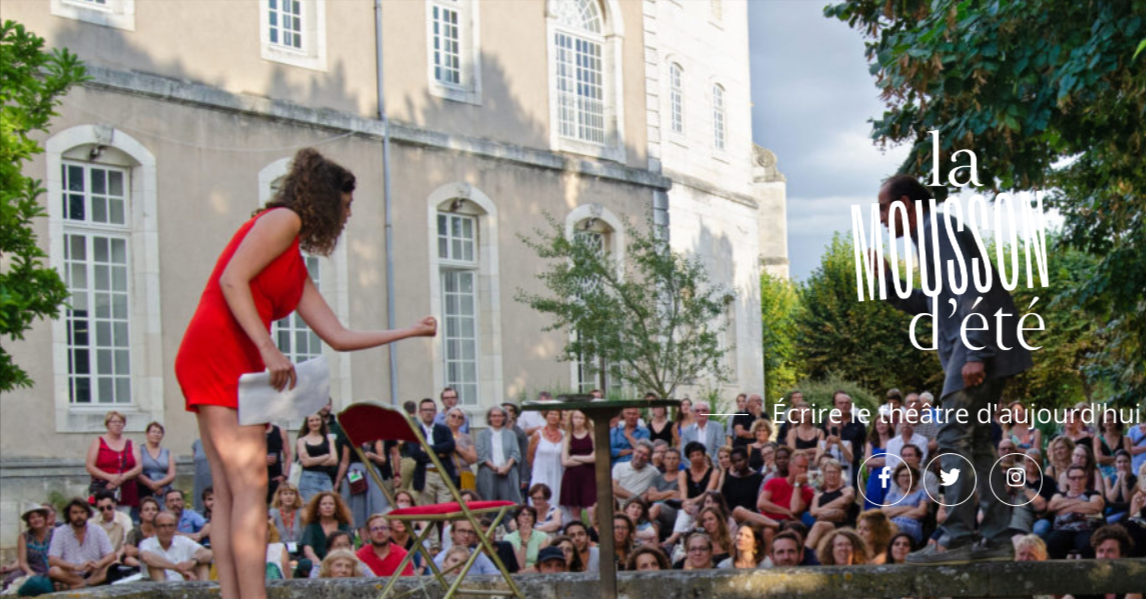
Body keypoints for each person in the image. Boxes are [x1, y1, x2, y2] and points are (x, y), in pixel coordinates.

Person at [174, 148, 436, 599]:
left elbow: (337, 334)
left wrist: (407, 332)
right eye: (347, 203)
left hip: (234, 358)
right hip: (219, 350)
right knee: (250, 483)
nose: (349, 214)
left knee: (233, 488)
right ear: (325, 198)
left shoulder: (292, 262)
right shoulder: (282, 220)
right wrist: (269, 348)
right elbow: (231, 280)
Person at [874, 175, 1032, 564]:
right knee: (976, 442)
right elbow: (937, 304)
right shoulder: (930, 235)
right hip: (983, 343)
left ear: (906, 205)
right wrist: (891, 284)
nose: (879, 218)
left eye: (883, 208)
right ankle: (995, 537)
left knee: (952, 436)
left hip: (976, 344)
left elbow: (972, 289)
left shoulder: (937, 229)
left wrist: (976, 350)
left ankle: (958, 537)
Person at [46, 498, 116, 589]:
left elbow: (111, 555)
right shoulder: (60, 532)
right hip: (71, 574)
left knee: (114, 564)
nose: (79, 516)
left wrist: (99, 563)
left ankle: (78, 586)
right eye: (75, 513)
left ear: (87, 514)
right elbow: (52, 559)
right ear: (69, 515)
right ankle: (86, 584)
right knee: (54, 571)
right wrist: (75, 567)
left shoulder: (97, 530)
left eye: (82, 512)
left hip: (94, 573)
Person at [85, 411, 141, 515]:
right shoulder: (98, 441)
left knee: (123, 521)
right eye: (114, 421)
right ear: (107, 424)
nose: (118, 424)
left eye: (120, 422)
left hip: (126, 491)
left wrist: (122, 478)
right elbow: (89, 466)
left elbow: (138, 467)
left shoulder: (131, 443)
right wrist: (110, 477)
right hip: (104, 489)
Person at [1047, 465, 1106, 559]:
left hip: (1086, 530)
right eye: (1073, 478)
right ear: (1067, 480)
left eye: (1080, 477)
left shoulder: (1093, 494)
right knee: (1053, 542)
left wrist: (1066, 508)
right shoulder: (1059, 495)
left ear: (1085, 479)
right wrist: (1084, 506)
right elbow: (1052, 506)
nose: (1077, 481)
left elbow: (1096, 507)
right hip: (1062, 530)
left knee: (1088, 544)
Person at [410, 398, 459, 506]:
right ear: (420, 412)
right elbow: (415, 453)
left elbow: (450, 446)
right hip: (425, 474)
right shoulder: (415, 431)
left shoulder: (444, 429)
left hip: (443, 472)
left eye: (431, 410)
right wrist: (439, 453)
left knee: (446, 508)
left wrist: (428, 448)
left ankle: (445, 524)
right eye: (425, 410)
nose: (428, 413)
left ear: (435, 412)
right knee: (427, 509)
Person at [139, 512, 212, 582]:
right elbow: (147, 557)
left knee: (202, 562)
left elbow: (208, 553)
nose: (167, 530)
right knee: (155, 566)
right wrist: (176, 568)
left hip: (185, 585)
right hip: (159, 587)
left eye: (170, 526)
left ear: (175, 527)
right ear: (155, 528)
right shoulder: (147, 543)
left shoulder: (183, 541)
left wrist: (193, 561)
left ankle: (204, 591)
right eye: (162, 526)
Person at [476, 405, 522, 504]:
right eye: (494, 416)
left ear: (504, 417)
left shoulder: (511, 434)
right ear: (489, 418)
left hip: (507, 473)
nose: (497, 418)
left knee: (508, 503)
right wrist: (495, 468)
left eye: (499, 416)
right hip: (488, 472)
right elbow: (481, 454)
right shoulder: (481, 435)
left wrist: (506, 467)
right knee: (489, 503)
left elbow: (515, 453)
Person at [806, 459, 855, 550]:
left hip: (841, 527)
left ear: (840, 474)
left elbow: (845, 500)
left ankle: (805, 554)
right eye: (829, 472)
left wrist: (822, 512)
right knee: (819, 526)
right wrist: (834, 511)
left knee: (819, 525)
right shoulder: (818, 495)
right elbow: (813, 512)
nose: (832, 475)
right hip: (823, 527)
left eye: (835, 472)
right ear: (824, 474)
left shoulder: (847, 489)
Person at [559, 410, 596, 523]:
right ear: (571, 419)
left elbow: (594, 458)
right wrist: (586, 459)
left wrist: (575, 457)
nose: (578, 420)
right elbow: (565, 462)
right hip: (573, 477)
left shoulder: (592, 434)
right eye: (576, 417)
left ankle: (595, 535)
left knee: (591, 509)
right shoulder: (567, 436)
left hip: (589, 476)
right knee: (575, 512)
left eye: (581, 418)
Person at [299, 492, 353, 567]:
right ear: (318, 508)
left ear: (336, 507)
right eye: (324, 504)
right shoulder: (312, 527)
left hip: (342, 563)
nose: (328, 507)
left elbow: (352, 547)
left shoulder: (344, 526)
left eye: (331, 504)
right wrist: (319, 565)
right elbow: (308, 549)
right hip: (317, 564)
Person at [823, 391, 866, 487]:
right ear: (835, 405)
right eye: (841, 403)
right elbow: (821, 440)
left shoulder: (858, 423)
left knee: (851, 493)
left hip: (853, 464)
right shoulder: (828, 422)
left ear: (850, 405)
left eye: (847, 403)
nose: (844, 405)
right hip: (831, 466)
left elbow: (865, 442)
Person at [758, 452, 814, 524]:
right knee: (739, 510)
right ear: (790, 467)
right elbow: (761, 503)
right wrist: (786, 511)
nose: (803, 470)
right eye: (800, 467)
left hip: (785, 523)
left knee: (768, 530)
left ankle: (776, 526)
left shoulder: (807, 491)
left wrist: (798, 485)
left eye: (806, 467)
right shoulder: (774, 482)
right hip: (765, 519)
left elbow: (794, 509)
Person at [296, 414, 339, 505]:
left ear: (321, 422)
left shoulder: (329, 438)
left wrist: (313, 460)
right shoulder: (302, 440)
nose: (315, 423)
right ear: (307, 424)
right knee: (310, 507)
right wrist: (326, 456)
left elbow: (334, 460)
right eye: (311, 420)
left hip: (325, 478)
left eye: (317, 420)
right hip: (308, 478)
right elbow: (306, 463)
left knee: (329, 505)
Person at [882, 463, 930, 545]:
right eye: (902, 476)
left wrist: (894, 513)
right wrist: (909, 508)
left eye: (909, 475)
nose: (906, 479)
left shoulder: (922, 493)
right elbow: (884, 512)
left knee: (895, 526)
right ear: (897, 478)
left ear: (915, 478)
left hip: (911, 526)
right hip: (891, 525)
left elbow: (921, 512)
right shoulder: (891, 495)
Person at [432, 520, 501, 575]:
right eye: (462, 531)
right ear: (452, 533)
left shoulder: (477, 555)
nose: (466, 535)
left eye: (470, 532)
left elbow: (495, 575)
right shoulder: (441, 559)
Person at [10, 504, 54, 587]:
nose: (36, 520)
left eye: (39, 516)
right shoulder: (24, 537)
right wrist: (30, 572)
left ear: (44, 518)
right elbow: (22, 562)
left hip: (53, 570)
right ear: (28, 521)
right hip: (33, 571)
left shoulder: (55, 533)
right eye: (32, 517)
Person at [529, 410, 566, 504]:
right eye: (550, 414)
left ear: (560, 417)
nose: (553, 416)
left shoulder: (564, 434)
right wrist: (535, 469)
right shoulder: (537, 434)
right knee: (540, 495)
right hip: (541, 472)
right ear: (546, 416)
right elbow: (530, 455)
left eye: (556, 414)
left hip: (557, 472)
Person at [137, 422, 177, 503]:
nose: (156, 434)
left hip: (163, 488)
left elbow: (172, 474)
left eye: (159, 432)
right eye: (153, 432)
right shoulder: (139, 450)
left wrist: (158, 484)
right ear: (147, 434)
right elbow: (137, 472)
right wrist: (152, 485)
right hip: (144, 488)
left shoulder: (167, 452)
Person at [446, 406, 477, 492]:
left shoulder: (467, 438)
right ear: (447, 417)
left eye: (460, 417)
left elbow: (473, 459)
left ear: (463, 421)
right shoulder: (441, 435)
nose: (456, 419)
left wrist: (457, 447)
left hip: (464, 474)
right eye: (453, 416)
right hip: (447, 474)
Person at [123, 497, 160, 569]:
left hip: (160, 562)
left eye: (154, 509)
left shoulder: (162, 530)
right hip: (139, 564)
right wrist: (154, 550)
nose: (151, 512)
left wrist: (138, 550)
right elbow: (129, 552)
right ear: (141, 514)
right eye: (147, 510)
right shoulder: (134, 532)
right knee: (128, 559)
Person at [269, 483, 304, 556]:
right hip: (279, 550)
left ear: (296, 496)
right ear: (280, 496)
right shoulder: (273, 512)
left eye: (291, 494)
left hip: (299, 549)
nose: (288, 496)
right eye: (285, 494)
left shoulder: (302, 512)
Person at [1104, 450, 1138, 522]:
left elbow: (1126, 500)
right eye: (1119, 462)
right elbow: (1111, 499)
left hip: (1128, 513)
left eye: (1125, 461)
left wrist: (1123, 481)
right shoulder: (1108, 479)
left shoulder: (1137, 480)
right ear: (1115, 464)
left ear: (1130, 463)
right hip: (1111, 513)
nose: (1122, 464)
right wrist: (1118, 480)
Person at [1095, 411, 1130, 479]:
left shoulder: (1125, 439)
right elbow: (1098, 458)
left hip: (1122, 475)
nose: (1108, 422)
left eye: (1111, 420)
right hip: (1102, 476)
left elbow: (1128, 458)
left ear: (1117, 421)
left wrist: (1106, 459)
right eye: (1105, 420)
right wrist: (1119, 460)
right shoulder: (1098, 439)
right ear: (1102, 423)